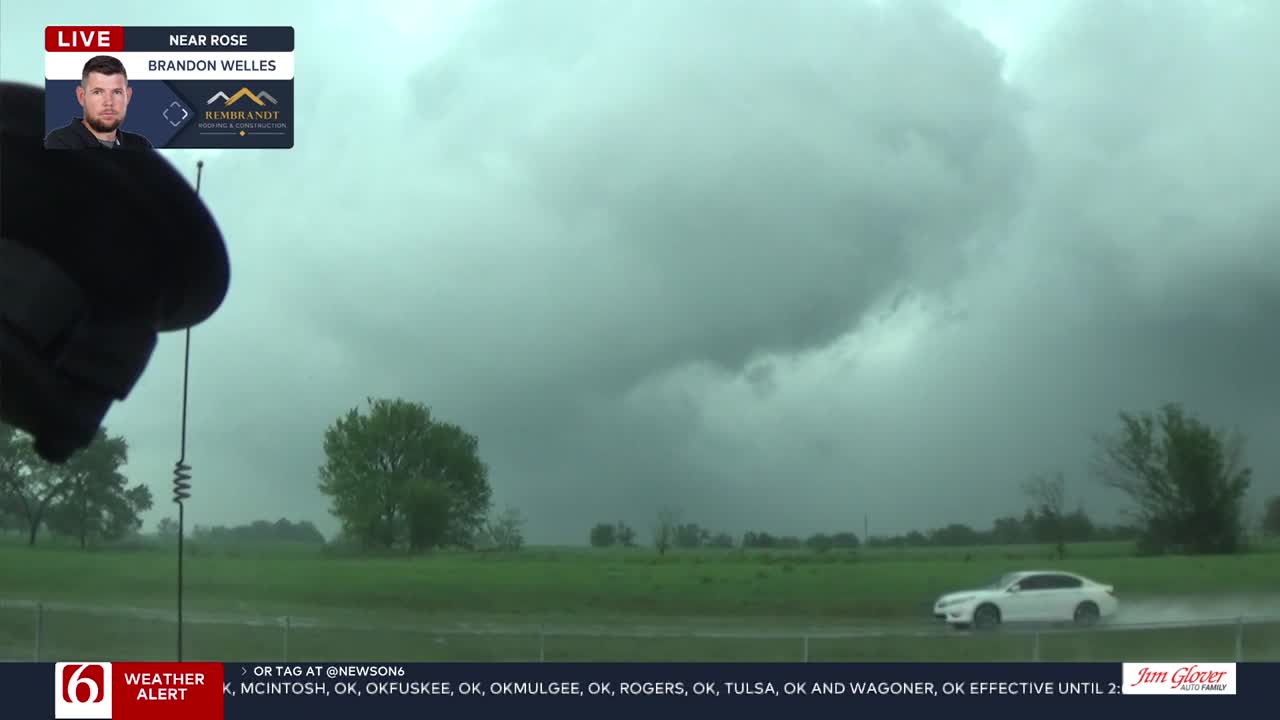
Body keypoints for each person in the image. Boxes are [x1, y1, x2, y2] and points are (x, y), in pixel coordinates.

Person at [44, 55, 154, 150]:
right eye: (98, 92)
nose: (109, 102)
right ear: (82, 96)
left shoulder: (141, 145)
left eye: (117, 92)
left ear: (128, 96)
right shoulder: (58, 143)